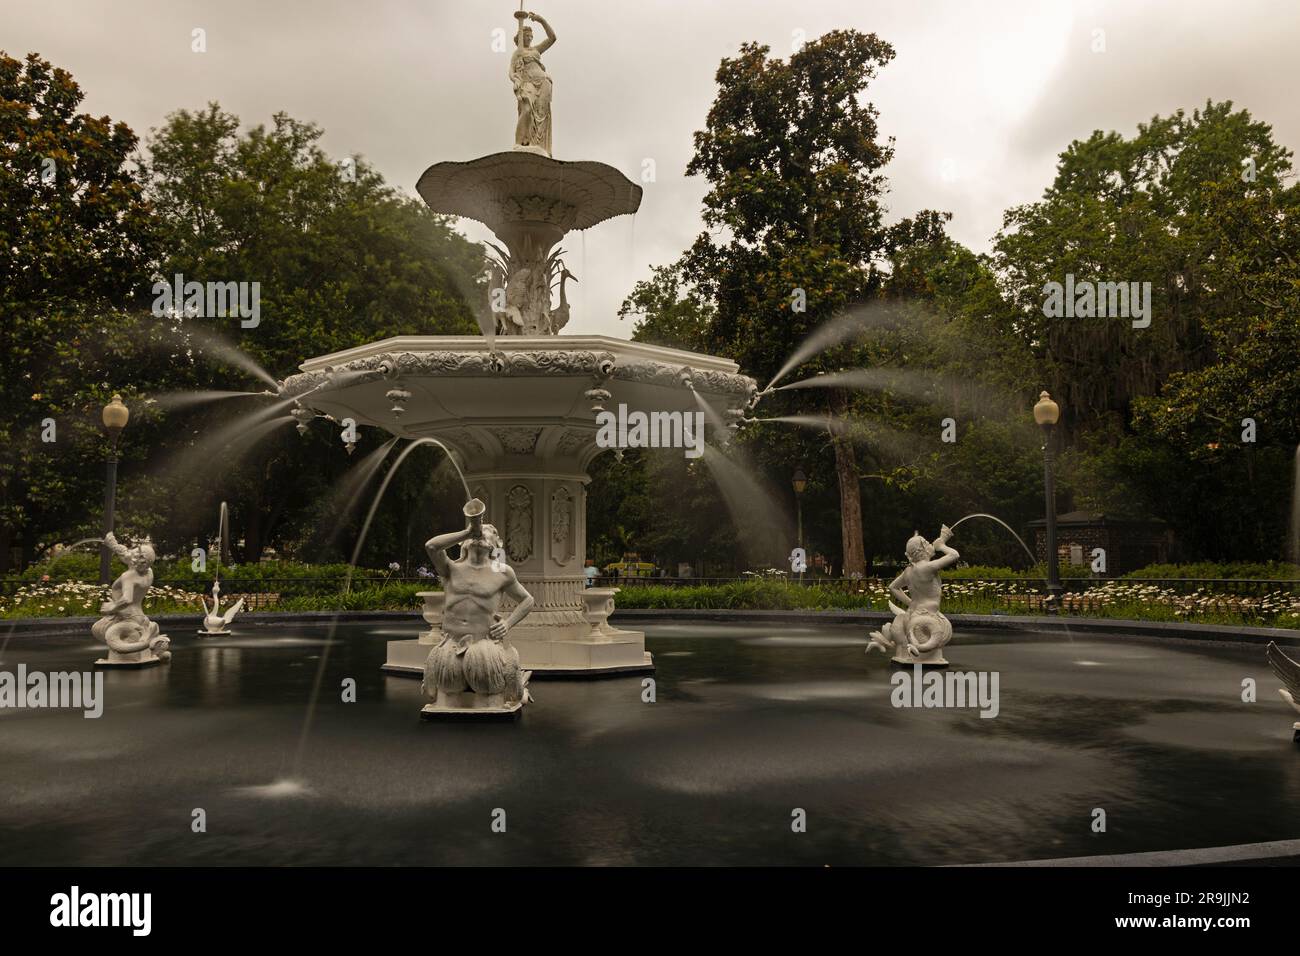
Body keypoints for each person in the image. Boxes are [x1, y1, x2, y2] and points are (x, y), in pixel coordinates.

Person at [422, 501, 535, 705]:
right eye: (478, 529)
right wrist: (468, 532)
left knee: (489, 697)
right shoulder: (450, 569)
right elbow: (431, 546)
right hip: (451, 644)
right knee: (443, 696)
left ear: (496, 543)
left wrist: (508, 623)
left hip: (484, 646)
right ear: (464, 542)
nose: (480, 533)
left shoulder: (502, 572)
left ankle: (519, 691)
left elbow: (528, 600)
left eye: (487, 531)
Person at [510, 11, 556, 154]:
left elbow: (552, 38)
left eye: (531, 36)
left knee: (541, 116)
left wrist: (541, 20)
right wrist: (515, 80)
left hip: (543, 83)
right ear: (520, 37)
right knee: (527, 110)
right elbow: (511, 71)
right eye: (526, 35)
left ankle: (537, 144)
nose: (529, 38)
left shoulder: (536, 50)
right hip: (527, 84)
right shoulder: (517, 53)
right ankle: (518, 143)